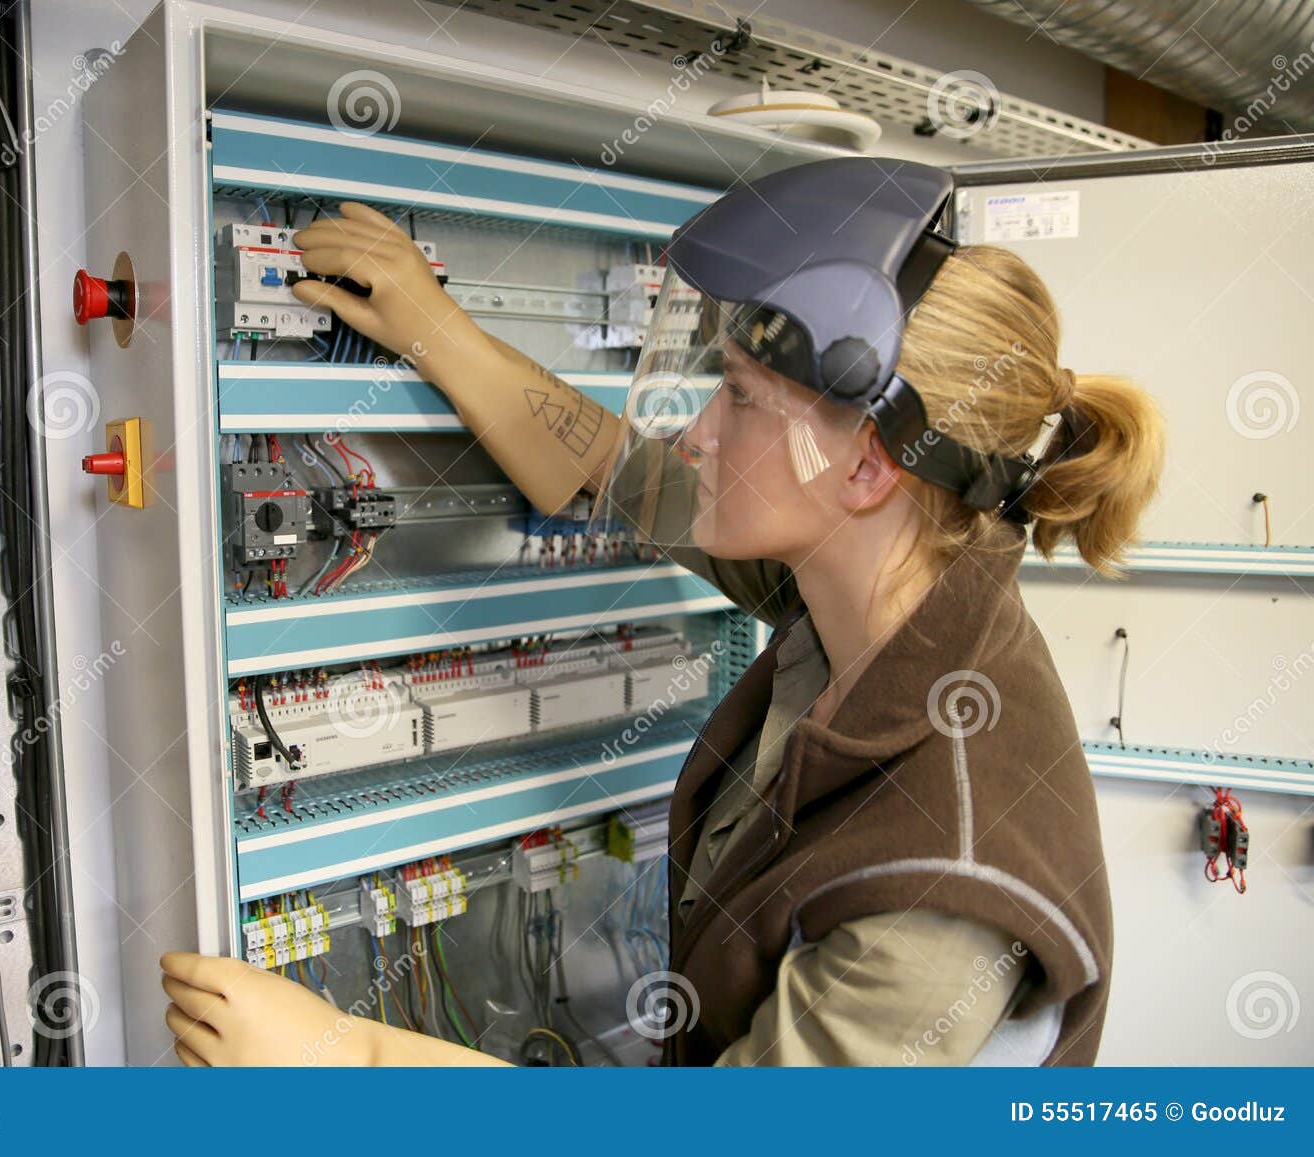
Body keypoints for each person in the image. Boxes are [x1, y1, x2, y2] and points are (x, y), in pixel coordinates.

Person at [161, 157, 1164, 1067]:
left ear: (864, 462)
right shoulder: (874, 588)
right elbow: (617, 468)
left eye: (738, 397)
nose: (694, 433)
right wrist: (434, 328)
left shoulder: (937, 904)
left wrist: (342, 1060)